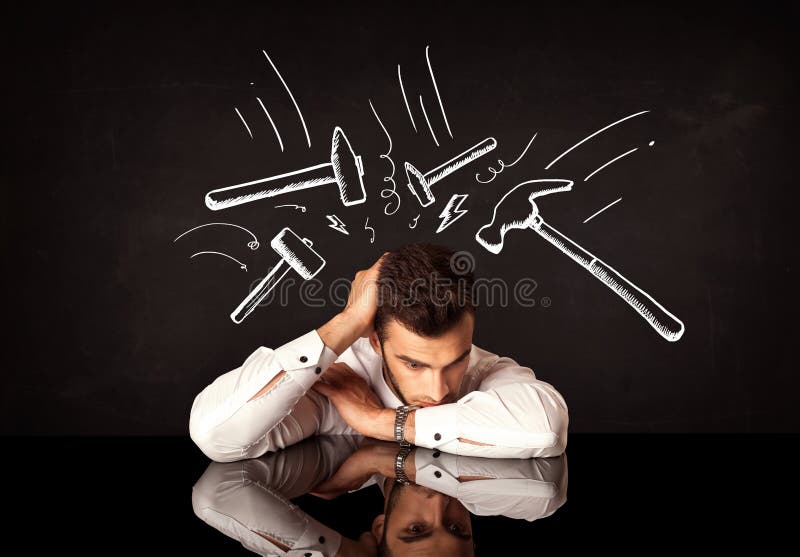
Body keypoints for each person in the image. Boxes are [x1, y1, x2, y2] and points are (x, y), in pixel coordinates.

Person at [189, 243, 569, 463]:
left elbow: (547, 432)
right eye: (414, 363)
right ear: (373, 340)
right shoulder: (339, 381)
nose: (438, 392)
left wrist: (378, 421)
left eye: (455, 360)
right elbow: (215, 435)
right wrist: (350, 319)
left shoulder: (485, 371)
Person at [192, 435, 568, 556]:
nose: (439, 503)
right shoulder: (484, 447)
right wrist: (404, 461)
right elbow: (548, 484)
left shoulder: (330, 467)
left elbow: (216, 494)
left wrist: (345, 554)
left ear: (380, 526)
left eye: (417, 530)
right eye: (457, 527)